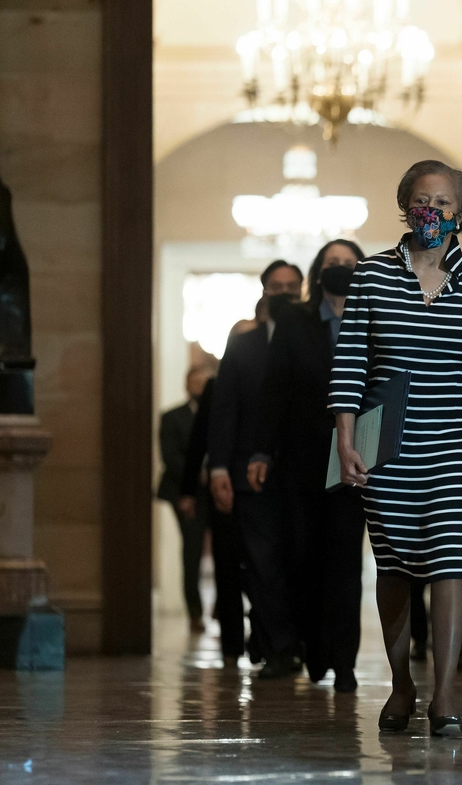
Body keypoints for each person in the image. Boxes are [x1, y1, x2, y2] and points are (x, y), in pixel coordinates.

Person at [330, 160, 462, 736]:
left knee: (447, 562)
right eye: (422, 200)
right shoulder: (371, 276)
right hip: (385, 442)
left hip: (454, 444)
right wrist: (345, 444)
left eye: (443, 203)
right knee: (391, 564)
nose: (431, 211)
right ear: (404, 207)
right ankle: (401, 685)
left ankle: (443, 695)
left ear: (460, 214)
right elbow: (348, 367)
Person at [248, 240, 367, 692]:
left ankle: (345, 662)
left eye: (348, 263)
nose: (339, 269)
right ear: (319, 271)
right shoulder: (295, 321)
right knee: (303, 558)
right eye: (332, 263)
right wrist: (262, 451)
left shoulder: (370, 317)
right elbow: (274, 388)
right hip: (301, 460)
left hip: (354, 462)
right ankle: (313, 652)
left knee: (344, 563)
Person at [208, 259, 305, 680]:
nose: (282, 293)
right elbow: (224, 411)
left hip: (303, 473)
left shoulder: (317, 340)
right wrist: (218, 470)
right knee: (262, 564)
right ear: (264, 290)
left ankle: (289, 640)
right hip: (250, 475)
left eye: (291, 286)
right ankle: (278, 646)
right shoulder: (243, 347)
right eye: (275, 285)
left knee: (299, 562)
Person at [179, 372, 254, 665]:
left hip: (262, 488)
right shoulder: (217, 385)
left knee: (263, 565)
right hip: (224, 489)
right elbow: (200, 439)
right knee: (226, 565)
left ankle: (264, 636)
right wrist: (187, 490)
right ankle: (232, 643)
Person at [158, 367, 213, 634]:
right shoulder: (172, 417)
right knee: (191, 551)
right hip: (184, 492)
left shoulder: (219, 414)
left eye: (205, 382)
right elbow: (171, 457)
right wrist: (195, 480)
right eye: (196, 382)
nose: (200, 387)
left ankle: (224, 606)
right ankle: (194, 611)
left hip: (215, 490)